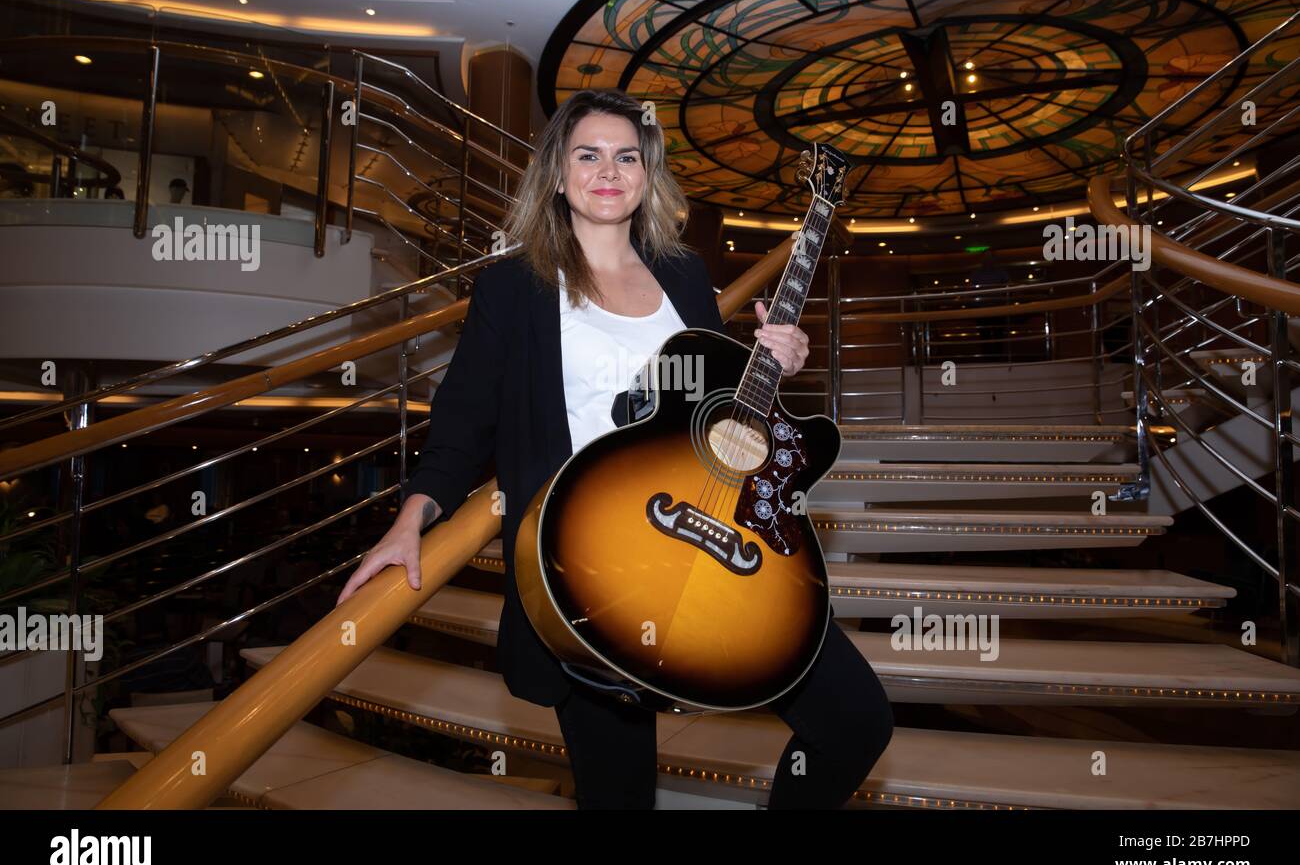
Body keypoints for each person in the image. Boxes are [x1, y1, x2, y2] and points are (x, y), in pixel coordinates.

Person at [337, 88, 894, 809]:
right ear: (559, 176)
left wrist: (775, 359)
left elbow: (704, 407)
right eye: (588, 154)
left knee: (855, 722)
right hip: (591, 560)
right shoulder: (512, 287)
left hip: (716, 536)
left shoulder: (684, 273)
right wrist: (413, 517)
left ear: (647, 173)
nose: (609, 170)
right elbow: (464, 418)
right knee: (621, 794)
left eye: (626, 156)